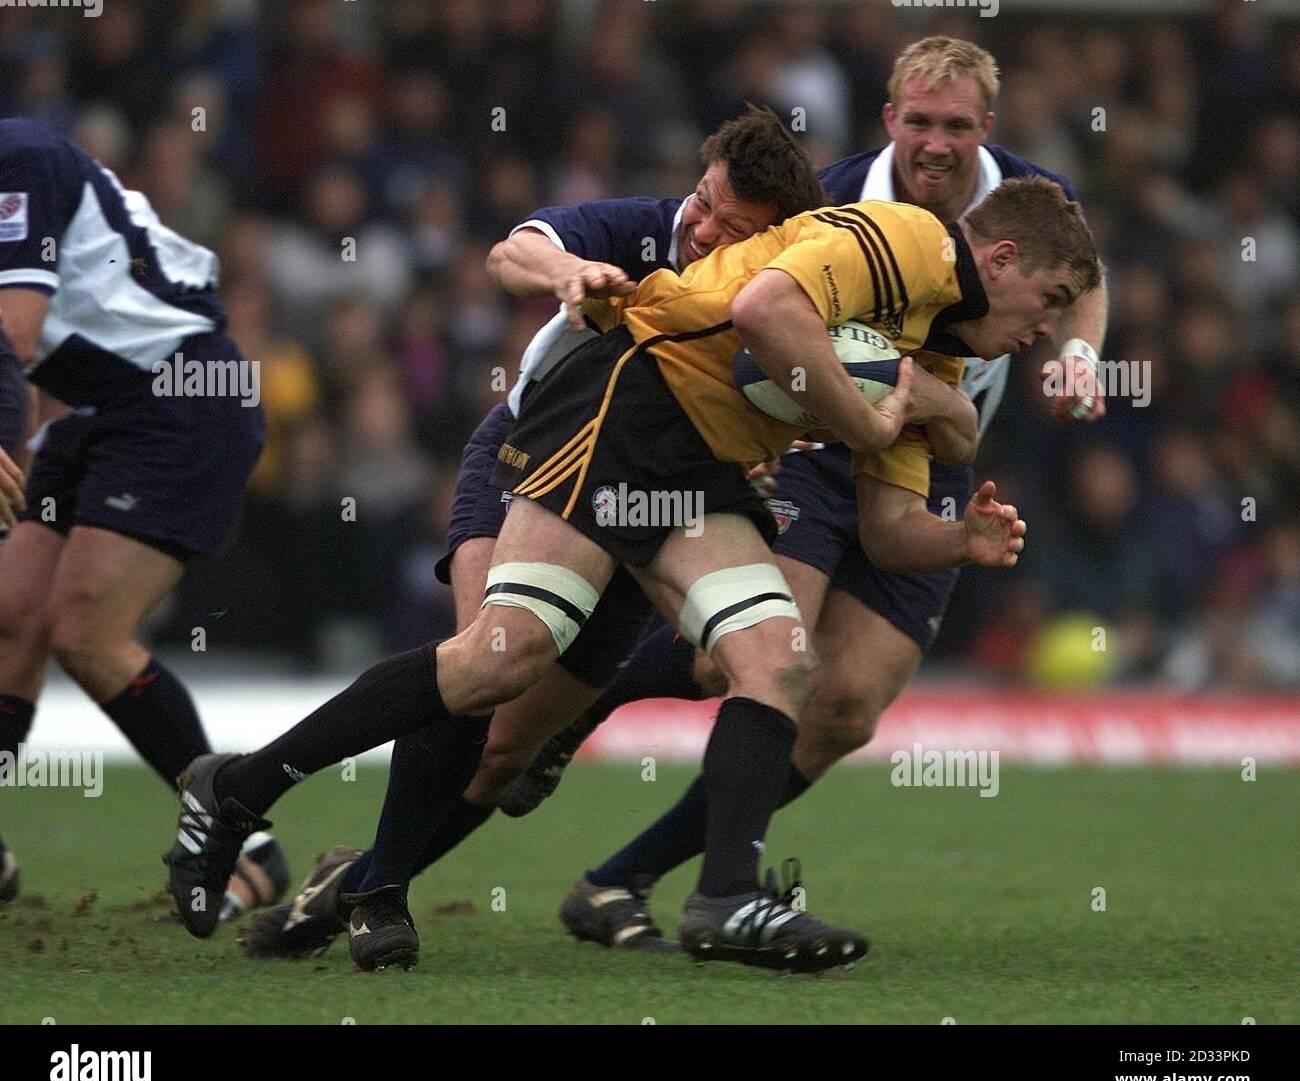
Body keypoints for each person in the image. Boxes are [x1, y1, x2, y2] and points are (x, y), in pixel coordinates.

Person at [165, 166, 1099, 974]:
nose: (1046, 332)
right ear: (1005, 260)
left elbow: (890, 531)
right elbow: (764, 310)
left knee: (777, 658)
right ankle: (241, 786)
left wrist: (959, 541)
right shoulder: (906, 240)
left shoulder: (929, 347)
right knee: (499, 661)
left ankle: (727, 898)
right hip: (629, 403)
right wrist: (887, 417)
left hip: (705, 466)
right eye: (1052, 304)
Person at [0, 118, 288, 917]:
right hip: (97, 408)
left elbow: (11, 339)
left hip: (181, 397)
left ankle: (248, 842)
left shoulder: (17, 161)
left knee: (85, 634)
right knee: (11, 614)